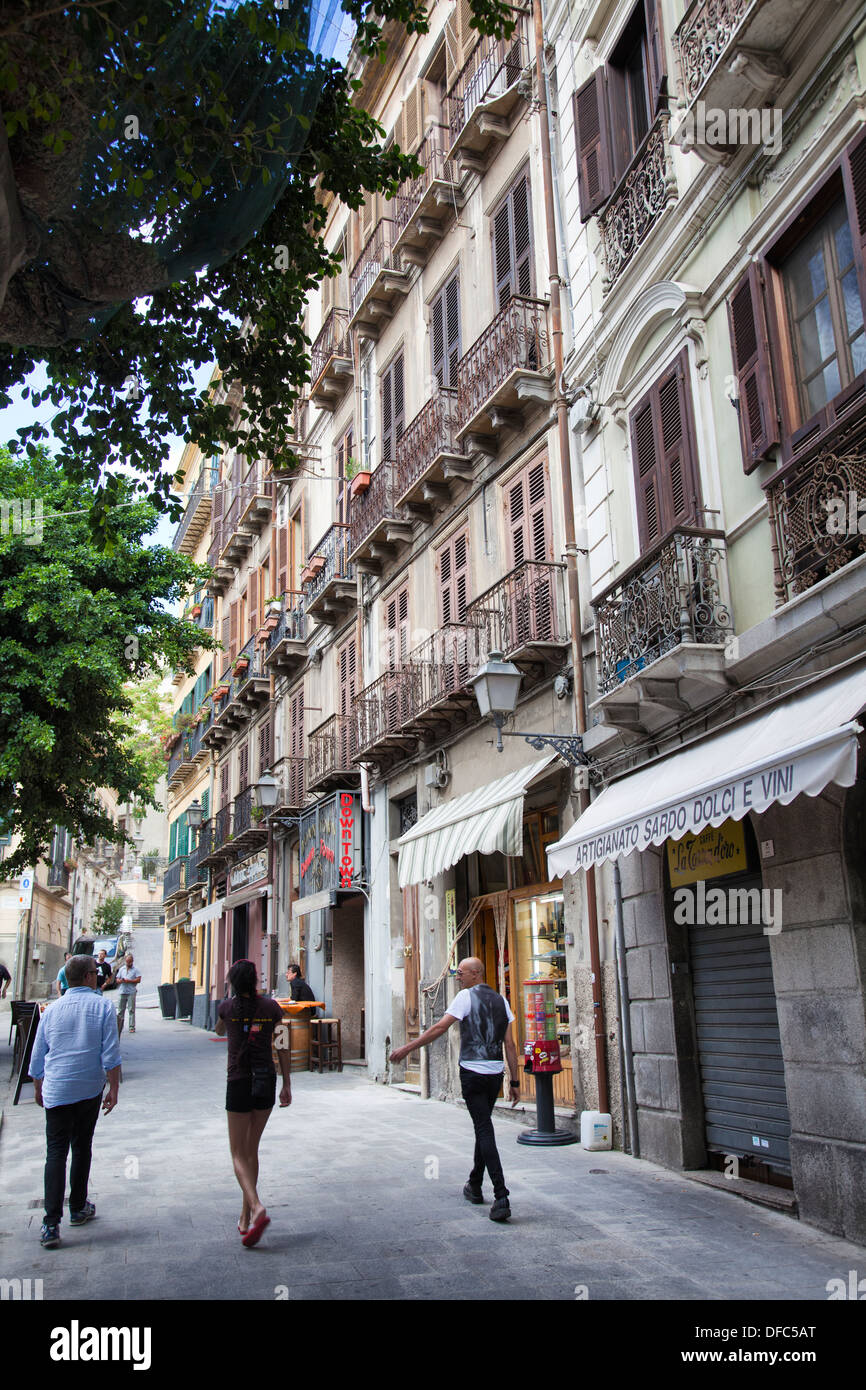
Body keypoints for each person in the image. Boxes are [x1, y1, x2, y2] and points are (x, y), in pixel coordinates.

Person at [389, 957, 519, 1222]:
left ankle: (501, 1195)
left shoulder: (465, 997)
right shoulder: (501, 1000)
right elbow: (510, 1044)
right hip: (494, 1073)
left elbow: (439, 1027)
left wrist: (406, 1048)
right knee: (482, 1126)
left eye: (460, 972)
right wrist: (514, 1081)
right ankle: (474, 1184)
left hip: (472, 1071)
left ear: (475, 974)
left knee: (484, 1128)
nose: (456, 976)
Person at [29, 953, 122, 1249]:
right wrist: (113, 1089)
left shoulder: (51, 1011)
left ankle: (50, 1223)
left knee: (55, 1152)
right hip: (88, 1089)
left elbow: (37, 1054)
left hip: (57, 1089)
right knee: (81, 1146)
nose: (98, 975)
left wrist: (38, 1086)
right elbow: (110, 1053)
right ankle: (78, 1207)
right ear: (87, 977)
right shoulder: (103, 1006)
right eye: (95, 972)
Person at [215, 959, 291, 1247]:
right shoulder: (272, 1008)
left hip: (238, 1082)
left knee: (237, 1153)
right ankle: (245, 1217)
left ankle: (256, 1206)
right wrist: (287, 1083)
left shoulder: (227, 1008)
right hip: (265, 1081)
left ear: (234, 982)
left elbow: (218, 1030)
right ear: (256, 980)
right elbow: (282, 1044)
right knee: (251, 1150)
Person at [114, 952, 141, 1034]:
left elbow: (138, 979)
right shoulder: (122, 969)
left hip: (131, 991)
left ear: (132, 961)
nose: (128, 963)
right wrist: (120, 980)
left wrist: (129, 981)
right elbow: (117, 979)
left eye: (130, 962)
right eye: (127, 962)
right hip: (122, 991)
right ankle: (118, 1026)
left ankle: (131, 1027)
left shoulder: (136, 970)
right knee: (120, 1010)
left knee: (131, 1009)